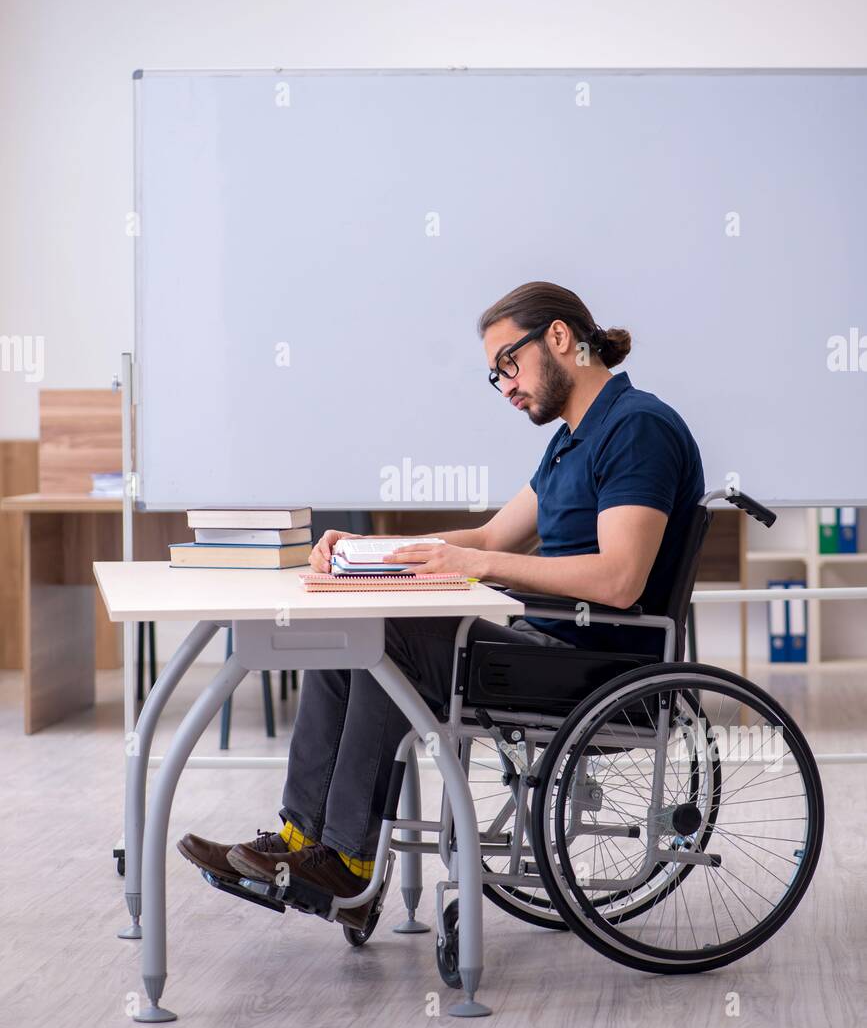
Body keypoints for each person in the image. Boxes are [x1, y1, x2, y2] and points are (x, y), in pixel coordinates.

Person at [178, 279, 705, 928]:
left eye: (507, 364)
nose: (506, 386)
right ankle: (303, 846)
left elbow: (620, 579)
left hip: (597, 670)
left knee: (386, 631)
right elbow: (487, 536)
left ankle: (348, 865)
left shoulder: (636, 429)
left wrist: (479, 566)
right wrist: (372, 550)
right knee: (346, 619)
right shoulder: (573, 439)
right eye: (496, 377)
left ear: (560, 338)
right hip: (551, 650)